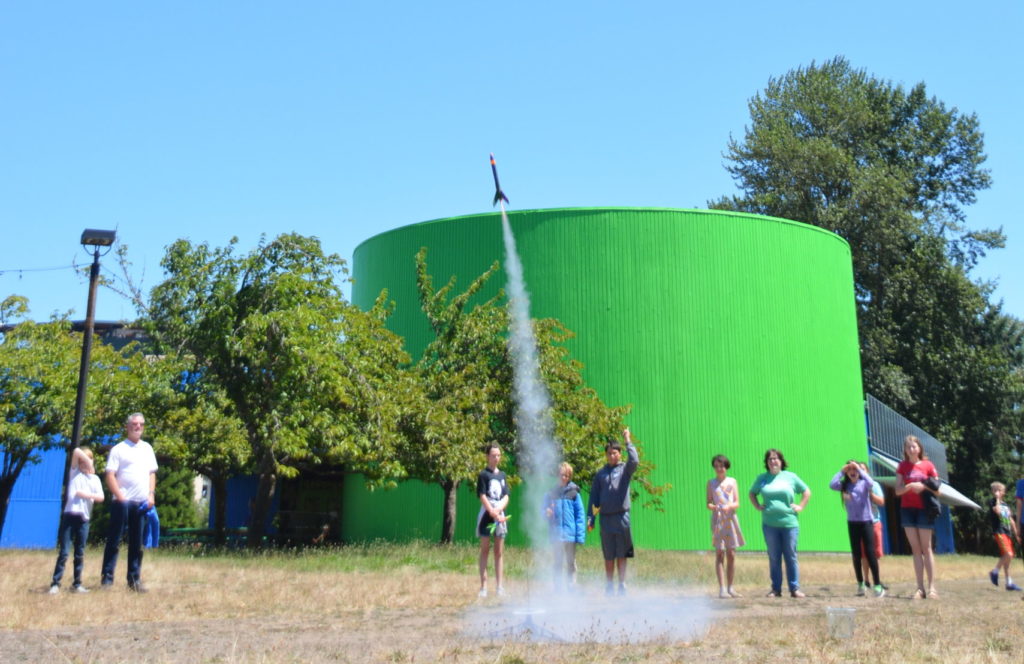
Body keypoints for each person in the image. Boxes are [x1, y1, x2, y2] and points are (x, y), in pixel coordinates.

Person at [100, 412, 158, 592]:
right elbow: (110, 475)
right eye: (134, 424)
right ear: (127, 426)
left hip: (141, 503)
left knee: (136, 543)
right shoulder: (119, 449)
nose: (138, 427)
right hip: (122, 501)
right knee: (114, 541)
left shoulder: (147, 448)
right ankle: (107, 579)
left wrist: (151, 495)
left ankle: (134, 579)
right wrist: (120, 496)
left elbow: (151, 473)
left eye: (141, 424)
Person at [749, 448, 810, 598]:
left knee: (791, 556)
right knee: (774, 556)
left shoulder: (790, 477)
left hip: (789, 524)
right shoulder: (762, 478)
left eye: (775, 458)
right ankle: (776, 589)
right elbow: (752, 493)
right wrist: (757, 506)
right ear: (767, 463)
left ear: (781, 461)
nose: (773, 461)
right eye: (770, 459)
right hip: (770, 524)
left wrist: (800, 506)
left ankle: (794, 588)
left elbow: (806, 491)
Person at [588, 427, 639, 596]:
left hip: (622, 516)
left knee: (622, 552)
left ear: (620, 454)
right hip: (606, 518)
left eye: (615, 453)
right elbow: (594, 498)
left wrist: (627, 440)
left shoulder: (625, 470)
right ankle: (609, 585)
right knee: (609, 554)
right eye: (609, 453)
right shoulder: (600, 474)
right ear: (606, 455)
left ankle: (622, 584)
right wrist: (591, 518)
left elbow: (635, 461)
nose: (612, 456)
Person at [49, 448, 104, 594]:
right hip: (70, 516)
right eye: (82, 461)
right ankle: (55, 583)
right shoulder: (74, 474)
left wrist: (85, 494)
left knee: (79, 553)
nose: (85, 464)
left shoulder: (95, 479)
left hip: (84, 519)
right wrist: (86, 460)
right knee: (64, 552)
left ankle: (77, 583)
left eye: (88, 460)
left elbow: (101, 497)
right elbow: (76, 451)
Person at [829, 460, 885, 597]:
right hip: (852, 523)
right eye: (850, 470)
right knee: (856, 554)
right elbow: (831, 485)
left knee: (870, 553)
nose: (852, 472)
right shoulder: (845, 485)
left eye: (855, 470)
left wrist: (860, 470)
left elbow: (871, 483)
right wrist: (841, 471)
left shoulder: (864, 483)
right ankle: (860, 583)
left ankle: (877, 584)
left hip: (866, 522)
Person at [894, 434, 939, 599]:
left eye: (914, 446)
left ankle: (932, 588)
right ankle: (920, 589)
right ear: (905, 450)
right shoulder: (902, 467)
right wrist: (910, 487)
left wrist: (923, 486)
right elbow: (897, 490)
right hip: (907, 509)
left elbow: (937, 489)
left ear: (919, 448)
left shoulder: (928, 465)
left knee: (927, 548)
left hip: (924, 509)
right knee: (915, 549)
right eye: (908, 447)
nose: (911, 449)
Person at [706, 454, 744, 598]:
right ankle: (722, 589)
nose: (719, 469)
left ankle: (731, 587)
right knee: (719, 553)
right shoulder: (711, 483)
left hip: (730, 519)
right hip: (718, 519)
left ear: (726, 466)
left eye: (721, 466)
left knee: (731, 553)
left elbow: (737, 502)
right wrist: (714, 507)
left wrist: (729, 506)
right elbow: (708, 502)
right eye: (716, 466)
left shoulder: (732, 481)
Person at [544, 461, 586, 591]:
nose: (564, 478)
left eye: (567, 475)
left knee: (571, 562)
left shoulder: (574, 494)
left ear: (570, 477)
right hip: (556, 535)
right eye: (562, 475)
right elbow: (543, 511)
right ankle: (558, 587)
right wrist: (546, 513)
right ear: (557, 475)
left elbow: (580, 516)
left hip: (570, 535)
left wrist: (580, 536)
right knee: (557, 562)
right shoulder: (550, 494)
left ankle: (571, 585)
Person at [476, 443, 509, 598]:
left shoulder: (502, 475)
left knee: (498, 551)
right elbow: (482, 495)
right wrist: (492, 511)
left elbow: (506, 496)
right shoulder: (483, 475)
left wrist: (499, 510)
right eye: (493, 455)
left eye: (498, 455)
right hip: (487, 515)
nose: (496, 458)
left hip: (500, 515)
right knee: (485, 550)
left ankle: (499, 586)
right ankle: (483, 587)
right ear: (487, 456)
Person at [987, 482, 1022, 591]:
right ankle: (994, 571)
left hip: (1007, 532)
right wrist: (997, 499)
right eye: (996, 490)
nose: (998, 492)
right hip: (999, 531)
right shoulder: (993, 502)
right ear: (993, 492)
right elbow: (997, 511)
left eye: (1000, 490)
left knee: (1008, 559)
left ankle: (1009, 583)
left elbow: (1010, 519)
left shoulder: (1005, 505)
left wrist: (1017, 533)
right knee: (1009, 554)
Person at [858, 462, 886, 588]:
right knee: (863, 554)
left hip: (874, 522)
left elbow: (881, 502)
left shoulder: (874, 485)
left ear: (867, 472)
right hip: (860, 523)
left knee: (875, 553)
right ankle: (866, 580)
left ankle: (877, 580)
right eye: (859, 470)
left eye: (863, 469)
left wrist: (870, 494)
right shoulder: (854, 486)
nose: (861, 472)